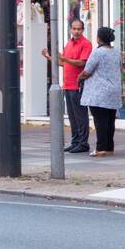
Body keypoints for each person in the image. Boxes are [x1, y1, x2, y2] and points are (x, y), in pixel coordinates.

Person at [41, 18, 92, 153]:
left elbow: (82, 63)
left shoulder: (86, 44)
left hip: (78, 85)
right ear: (70, 29)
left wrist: (65, 59)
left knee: (80, 116)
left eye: (78, 29)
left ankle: (83, 143)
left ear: (83, 30)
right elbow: (65, 63)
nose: (76, 31)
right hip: (68, 85)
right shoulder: (69, 43)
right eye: (74, 29)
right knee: (72, 116)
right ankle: (75, 141)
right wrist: (50, 58)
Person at [78, 27, 124, 156]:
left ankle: (100, 148)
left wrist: (79, 77)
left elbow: (87, 71)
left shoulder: (97, 53)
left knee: (100, 121)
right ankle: (109, 148)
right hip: (113, 91)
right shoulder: (116, 52)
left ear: (99, 39)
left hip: (99, 93)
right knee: (110, 121)